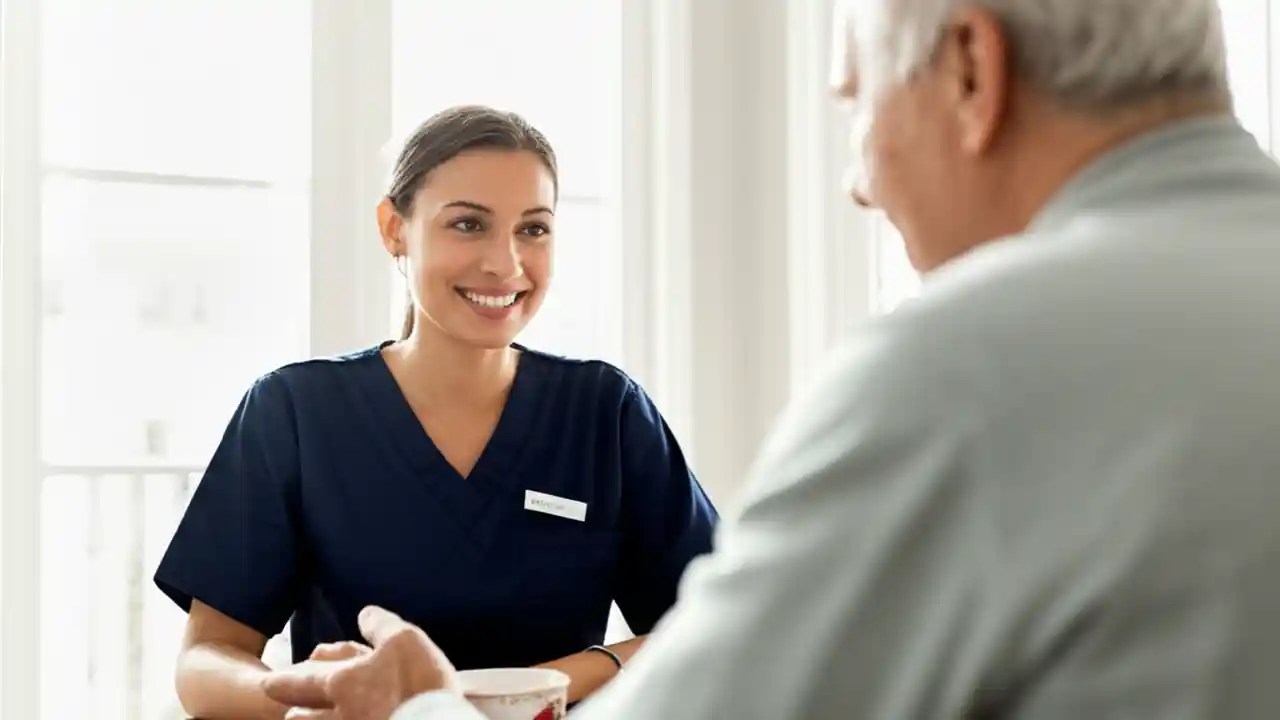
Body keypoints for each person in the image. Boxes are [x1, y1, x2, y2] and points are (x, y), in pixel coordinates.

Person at [261, 0, 1280, 717]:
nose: (858, 186)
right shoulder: (300, 409)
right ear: (395, 231)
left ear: (971, 67)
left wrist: (432, 711)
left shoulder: (966, 367)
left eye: (855, 102)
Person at [153, 105, 719, 720]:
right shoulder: (295, 411)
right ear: (395, 229)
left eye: (533, 229)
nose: (505, 263)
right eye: (469, 225)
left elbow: (717, 621)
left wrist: (537, 683)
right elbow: (207, 659)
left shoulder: (605, 413)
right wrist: (300, 699)